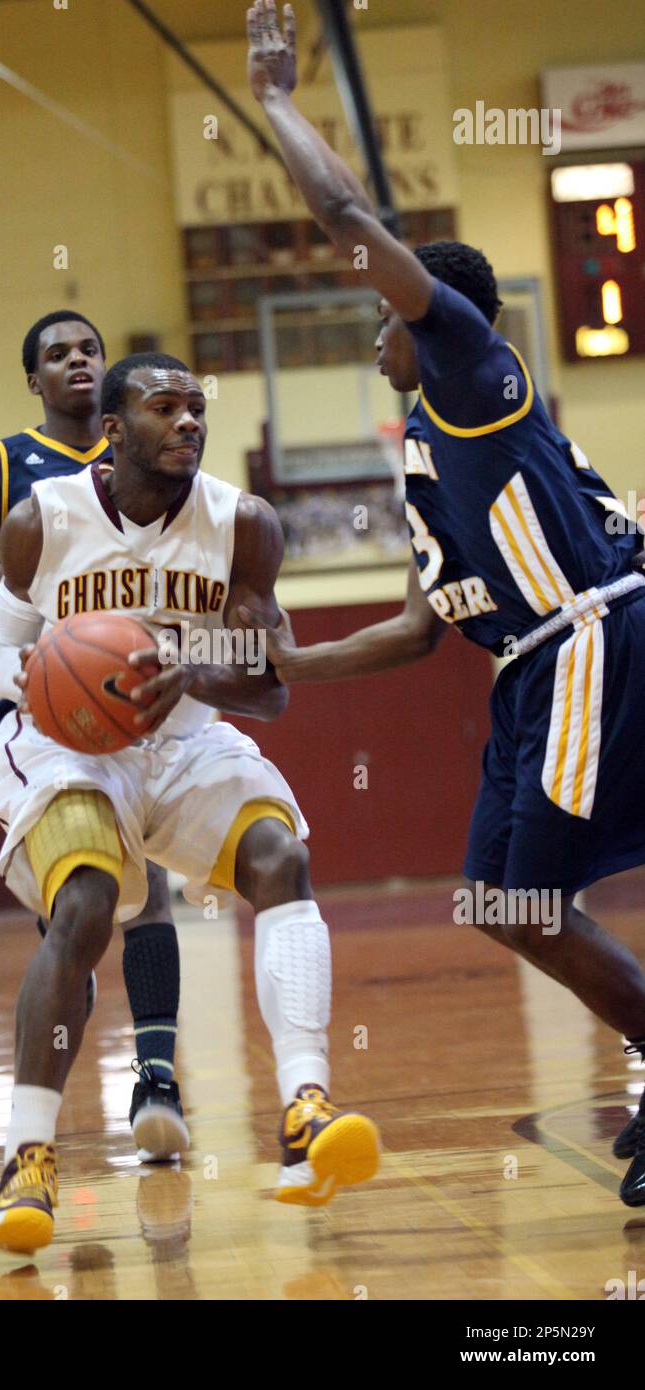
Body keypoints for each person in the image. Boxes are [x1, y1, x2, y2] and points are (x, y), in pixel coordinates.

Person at [245, 0, 645, 1206]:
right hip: (531, 664)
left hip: (590, 634)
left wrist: (272, 97)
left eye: (382, 321)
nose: (374, 341)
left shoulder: (472, 364)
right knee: (496, 900)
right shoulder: (427, 453)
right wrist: (290, 667)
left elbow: (345, 217)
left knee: (527, 898)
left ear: (429, 317)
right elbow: (422, 629)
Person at [0, 351, 380, 1253]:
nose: (190, 422)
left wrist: (190, 674)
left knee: (282, 857)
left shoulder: (245, 524)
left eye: (198, 408)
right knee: (82, 906)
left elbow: (271, 688)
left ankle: (306, 1112)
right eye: (166, 408)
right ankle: (27, 1157)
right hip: (70, 746)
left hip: (189, 738)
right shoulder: (39, 522)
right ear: (113, 430)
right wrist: (66, 677)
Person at [0, 310, 188, 1164]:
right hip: (34, 694)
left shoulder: (153, 454)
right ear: (34, 380)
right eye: (56, 353)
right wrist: (43, 556)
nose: (76, 360)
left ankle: (157, 1080)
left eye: (89, 348)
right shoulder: (6, 465)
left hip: (131, 688)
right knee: (76, 906)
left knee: (147, 879)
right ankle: (45, 1102)